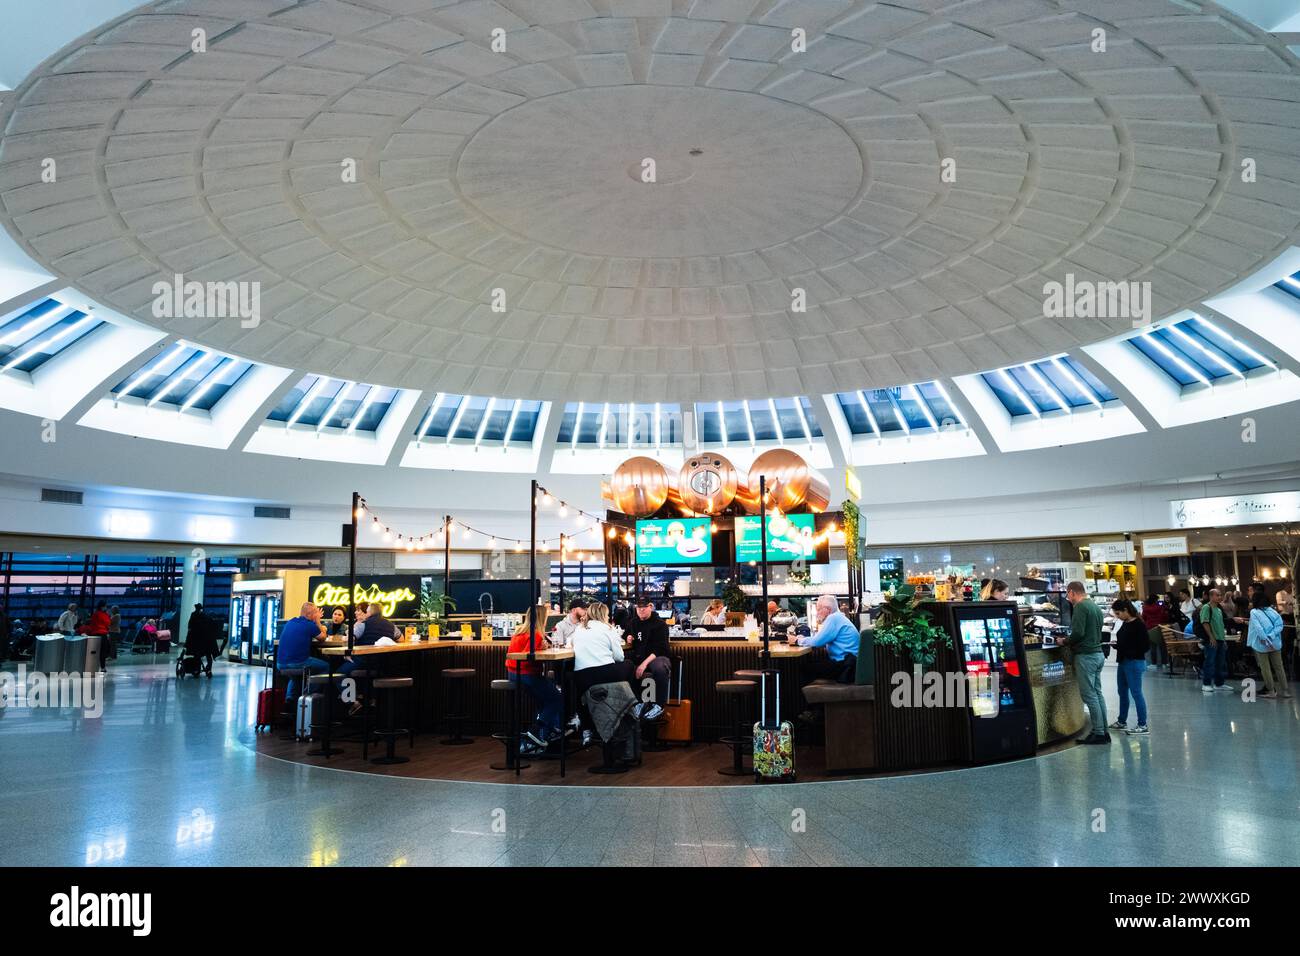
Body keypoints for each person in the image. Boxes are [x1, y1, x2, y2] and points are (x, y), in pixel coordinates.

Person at [573, 601, 633, 744]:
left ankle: (586, 728)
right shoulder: (608, 629)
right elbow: (619, 657)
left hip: (582, 678)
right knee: (629, 665)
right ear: (604, 614)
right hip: (604, 674)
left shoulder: (579, 629)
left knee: (579, 695)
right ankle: (633, 703)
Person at [505, 605, 564, 750]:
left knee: (545, 699)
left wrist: (540, 648)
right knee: (557, 698)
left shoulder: (519, 632)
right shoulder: (536, 634)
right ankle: (537, 731)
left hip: (512, 674)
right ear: (542, 618)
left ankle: (547, 732)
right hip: (527, 675)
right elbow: (527, 657)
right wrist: (541, 648)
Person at [1061, 581, 1109, 743]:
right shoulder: (1094, 606)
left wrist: (1064, 641)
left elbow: (1078, 633)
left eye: (1068, 594)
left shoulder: (1081, 607)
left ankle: (1098, 733)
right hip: (1097, 653)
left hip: (1086, 656)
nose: (1068, 598)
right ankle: (1104, 731)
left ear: (1072, 592)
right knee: (1097, 693)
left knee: (1089, 696)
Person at [790, 594, 860, 692]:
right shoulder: (839, 618)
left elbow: (817, 642)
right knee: (810, 666)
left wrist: (797, 640)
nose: (817, 612)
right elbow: (820, 640)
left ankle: (811, 705)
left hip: (844, 666)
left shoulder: (833, 618)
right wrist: (805, 639)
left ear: (827, 609)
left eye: (818, 609)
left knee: (802, 668)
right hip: (849, 665)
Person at [625, 597, 670, 719]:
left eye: (644, 608)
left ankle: (658, 705)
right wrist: (628, 636)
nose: (641, 610)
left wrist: (644, 664)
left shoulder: (660, 624)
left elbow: (661, 648)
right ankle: (638, 703)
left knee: (660, 667)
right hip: (639, 657)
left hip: (656, 656)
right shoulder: (633, 622)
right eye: (639, 608)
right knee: (626, 667)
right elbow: (626, 633)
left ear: (650, 607)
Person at [1109, 599, 1149, 735]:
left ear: (1126, 610)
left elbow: (1144, 646)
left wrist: (1125, 648)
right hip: (1123, 661)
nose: (1117, 616)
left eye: (1118, 613)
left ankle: (1142, 724)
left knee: (1136, 693)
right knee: (1122, 692)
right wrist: (1118, 645)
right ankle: (1122, 720)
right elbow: (1125, 641)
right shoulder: (1125, 623)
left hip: (1134, 662)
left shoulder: (1139, 624)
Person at [277, 603, 327, 702]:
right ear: (309, 614)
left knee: (295, 676)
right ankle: (307, 696)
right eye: (315, 613)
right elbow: (323, 638)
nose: (317, 614)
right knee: (326, 667)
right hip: (298, 663)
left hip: (280, 664)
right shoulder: (309, 624)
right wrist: (318, 621)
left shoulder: (291, 622)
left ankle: (290, 700)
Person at [1248, 589, 1290, 699]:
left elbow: (1258, 628)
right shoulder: (1273, 611)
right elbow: (1280, 626)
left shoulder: (1254, 612)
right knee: (1279, 667)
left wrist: (1266, 639)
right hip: (1275, 643)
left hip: (1261, 644)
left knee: (1265, 668)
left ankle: (1271, 691)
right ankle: (1285, 691)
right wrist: (1271, 636)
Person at [1197, 589, 1232, 694]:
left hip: (1220, 639)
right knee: (1210, 661)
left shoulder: (1219, 610)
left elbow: (1221, 625)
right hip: (1211, 640)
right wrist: (1211, 637)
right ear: (1211, 596)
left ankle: (1219, 683)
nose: (1220, 597)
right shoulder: (1206, 608)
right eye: (1217, 595)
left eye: (1220, 595)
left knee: (1220, 662)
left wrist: (1223, 639)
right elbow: (1205, 622)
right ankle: (1206, 684)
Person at [185, 603, 220, 671]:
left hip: (196, 640)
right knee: (208, 654)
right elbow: (212, 627)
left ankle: (197, 668)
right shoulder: (206, 616)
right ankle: (209, 668)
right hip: (207, 640)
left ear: (196, 608)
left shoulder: (193, 615)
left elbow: (190, 627)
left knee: (197, 654)